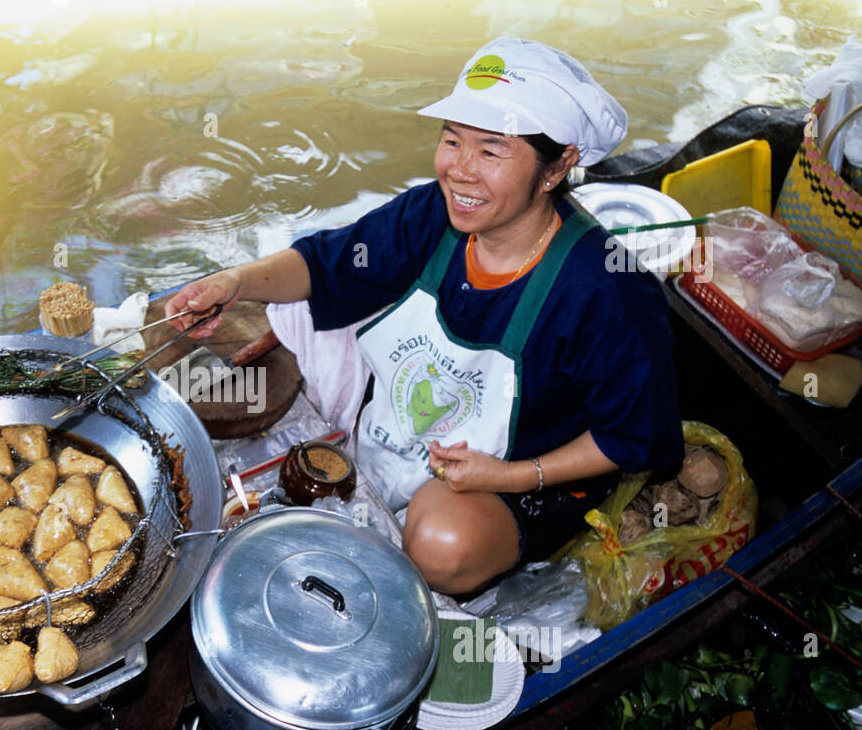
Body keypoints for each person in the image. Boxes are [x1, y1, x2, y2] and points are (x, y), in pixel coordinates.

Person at [165, 37, 683, 595]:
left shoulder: (607, 292)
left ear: (557, 167)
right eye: (452, 140)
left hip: (533, 466)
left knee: (439, 543)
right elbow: (325, 265)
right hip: (424, 429)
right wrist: (236, 282)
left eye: (490, 151)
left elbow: (634, 436)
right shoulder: (432, 214)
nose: (460, 170)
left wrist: (507, 475)